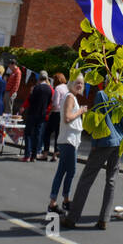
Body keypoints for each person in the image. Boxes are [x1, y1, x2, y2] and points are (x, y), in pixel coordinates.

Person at [61, 83, 123, 230]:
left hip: (104, 142)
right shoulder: (121, 98)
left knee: (86, 179)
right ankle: (104, 219)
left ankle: (72, 218)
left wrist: (94, 143)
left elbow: (99, 120)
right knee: (111, 181)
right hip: (118, 142)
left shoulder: (101, 95)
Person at [49, 76, 87, 213]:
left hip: (69, 140)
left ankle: (58, 201)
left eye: (81, 83)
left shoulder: (71, 96)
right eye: (77, 83)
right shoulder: (70, 96)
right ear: (71, 83)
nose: (79, 85)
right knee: (69, 171)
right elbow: (67, 118)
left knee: (64, 171)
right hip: (69, 140)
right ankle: (61, 201)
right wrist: (81, 111)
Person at [23, 71, 53, 162]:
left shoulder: (36, 88)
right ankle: (34, 156)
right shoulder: (49, 89)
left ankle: (27, 155)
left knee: (28, 134)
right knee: (37, 135)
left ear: (39, 78)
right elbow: (49, 103)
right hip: (42, 115)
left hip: (32, 113)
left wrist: (31, 93)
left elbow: (31, 100)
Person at [46, 72, 68, 161]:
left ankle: (45, 153)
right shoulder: (67, 88)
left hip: (56, 113)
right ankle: (55, 154)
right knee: (58, 135)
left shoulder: (58, 88)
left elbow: (55, 104)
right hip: (63, 113)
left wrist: (49, 112)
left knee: (47, 133)